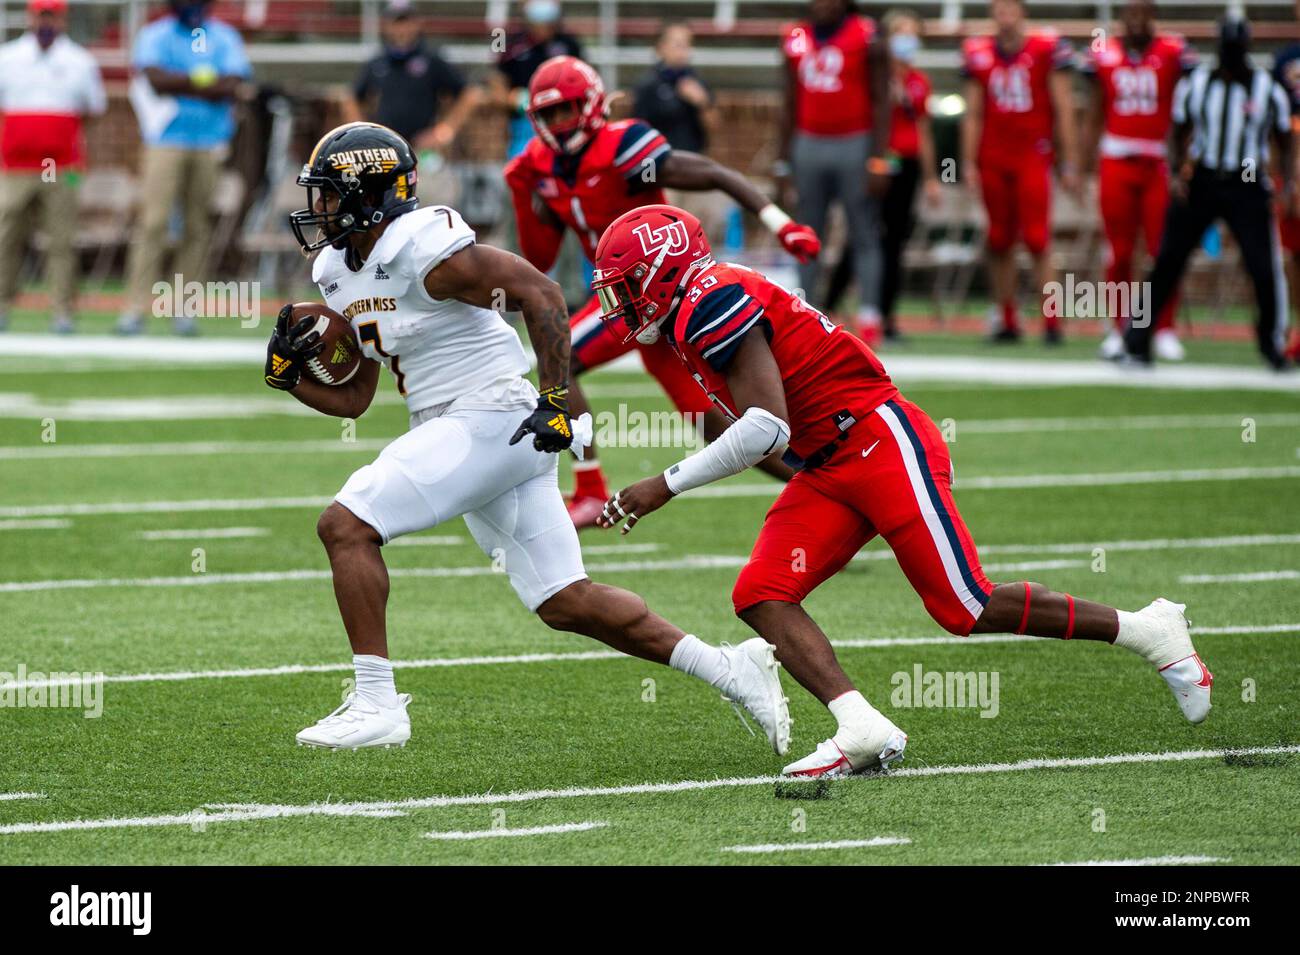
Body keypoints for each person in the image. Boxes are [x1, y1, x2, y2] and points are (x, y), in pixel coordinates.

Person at [592, 203, 1213, 778]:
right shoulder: (696, 304)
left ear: (662, 272)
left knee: (963, 606)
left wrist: (664, 484)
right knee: (763, 592)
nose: (618, 304)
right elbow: (774, 431)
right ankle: (860, 725)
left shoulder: (711, 299)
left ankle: (1146, 629)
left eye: (625, 287)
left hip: (879, 441)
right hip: (830, 463)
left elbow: (764, 428)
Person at [268, 122, 788, 752]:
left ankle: (377, 703)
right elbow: (356, 397)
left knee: (346, 524)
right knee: (566, 601)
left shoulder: (419, 244)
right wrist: (289, 377)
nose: (318, 209)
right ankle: (733, 672)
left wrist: (555, 402)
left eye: (329, 194)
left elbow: (540, 293)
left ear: (369, 193)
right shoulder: (336, 269)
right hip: (459, 426)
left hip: (493, 414)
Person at [504, 55, 819, 528]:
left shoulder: (621, 146)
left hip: (662, 295)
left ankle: (590, 490)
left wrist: (781, 222)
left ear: (590, 105)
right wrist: (525, 196)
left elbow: (713, 173)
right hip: (625, 305)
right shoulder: (540, 165)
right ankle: (829, 493)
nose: (557, 125)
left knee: (559, 355)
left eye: (565, 110)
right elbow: (541, 255)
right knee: (717, 430)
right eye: (546, 116)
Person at [1123, 16, 1295, 369]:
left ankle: (1271, 342)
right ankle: (1136, 338)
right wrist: (1176, 172)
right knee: (1167, 261)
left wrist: (1287, 183)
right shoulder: (1198, 83)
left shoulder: (1265, 87)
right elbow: (1177, 129)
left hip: (1246, 177)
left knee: (1263, 266)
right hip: (1202, 176)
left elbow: (1283, 136)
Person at [117, 0, 251, 336]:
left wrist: (185, 81)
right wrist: (206, 82)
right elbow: (156, 80)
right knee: (153, 222)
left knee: (198, 225)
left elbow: (233, 83)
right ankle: (135, 308)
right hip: (165, 139)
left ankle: (185, 309)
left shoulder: (224, 36)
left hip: (210, 141)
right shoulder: (155, 34)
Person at [961, 0, 1080, 344]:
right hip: (993, 156)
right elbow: (973, 113)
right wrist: (967, 161)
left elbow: (1064, 107)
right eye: (999, 9)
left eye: (1010, 8)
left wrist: (1068, 161)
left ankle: (1052, 321)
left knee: (1037, 238)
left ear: (1022, 12)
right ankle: (1008, 318)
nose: (1005, 16)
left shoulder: (1046, 47)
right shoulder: (977, 51)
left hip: (1032, 153)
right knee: (998, 239)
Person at [1083, 0, 1195, 362]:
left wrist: (1185, 161)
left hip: (1158, 160)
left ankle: (1162, 326)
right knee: (1119, 251)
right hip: (1116, 158)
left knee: (1162, 250)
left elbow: (1187, 112)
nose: (1134, 22)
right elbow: (1094, 111)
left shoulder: (1173, 51)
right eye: (1128, 14)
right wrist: (1082, 164)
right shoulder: (1104, 52)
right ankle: (1120, 328)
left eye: (1142, 14)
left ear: (1153, 16)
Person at [777, 0, 891, 342]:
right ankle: (805, 312)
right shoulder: (795, 36)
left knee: (864, 231)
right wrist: (783, 161)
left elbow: (882, 98)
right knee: (807, 233)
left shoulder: (866, 34)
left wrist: (880, 158)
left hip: (855, 141)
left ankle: (870, 313)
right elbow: (788, 101)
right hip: (808, 142)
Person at [826, 9, 940, 340]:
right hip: (878, 160)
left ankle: (886, 315)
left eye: (913, 33)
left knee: (894, 241)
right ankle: (830, 304)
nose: (908, 40)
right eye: (902, 32)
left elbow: (923, 131)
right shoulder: (873, 77)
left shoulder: (918, 81)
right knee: (862, 234)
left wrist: (933, 176)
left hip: (907, 163)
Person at [0, 0, 105, 335]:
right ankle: (2, 304)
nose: (47, 22)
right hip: (15, 164)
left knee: (62, 238)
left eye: (53, 15)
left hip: (64, 165)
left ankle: (62, 310)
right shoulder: (8, 58)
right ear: (30, 17)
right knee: (6, 235)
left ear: (63, 19)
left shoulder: (79, 61)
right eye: (41, 15)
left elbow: (93, 109)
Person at [632, 21, 728, 245]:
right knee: (666, 234)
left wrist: (701, 101)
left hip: (694, 166)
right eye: (677, 44)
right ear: (661, 48)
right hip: (663, 171)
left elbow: (715, 126)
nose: (683, 51)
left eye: (687, 45)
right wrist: (648, 179)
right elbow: (639, 133)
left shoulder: (695, 81)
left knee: (700, 231)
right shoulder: (649, 85)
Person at [346, 1, 478, 157]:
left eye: (406, 22)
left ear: (416, 24)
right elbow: (351, 96)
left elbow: (470, 94)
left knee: (425, 180)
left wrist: (446, 129)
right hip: (386, 148)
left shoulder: (431, 59)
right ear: (387, 26)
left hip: (423, 149)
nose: (402, 29)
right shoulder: (378, 61)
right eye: (397, 23)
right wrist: (362, 134)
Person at [488, 0, 583, 161]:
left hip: (562, 120)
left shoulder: (569, 43)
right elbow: (496, 85)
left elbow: (583, 82)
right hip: (523, 124)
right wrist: (515, 99)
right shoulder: (508, 42)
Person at [1274, 2, 1300, 365]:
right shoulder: (1286, 60)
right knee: (1293, 253)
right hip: (1294, 165)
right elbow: (1278, 127)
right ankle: (1295, 327)